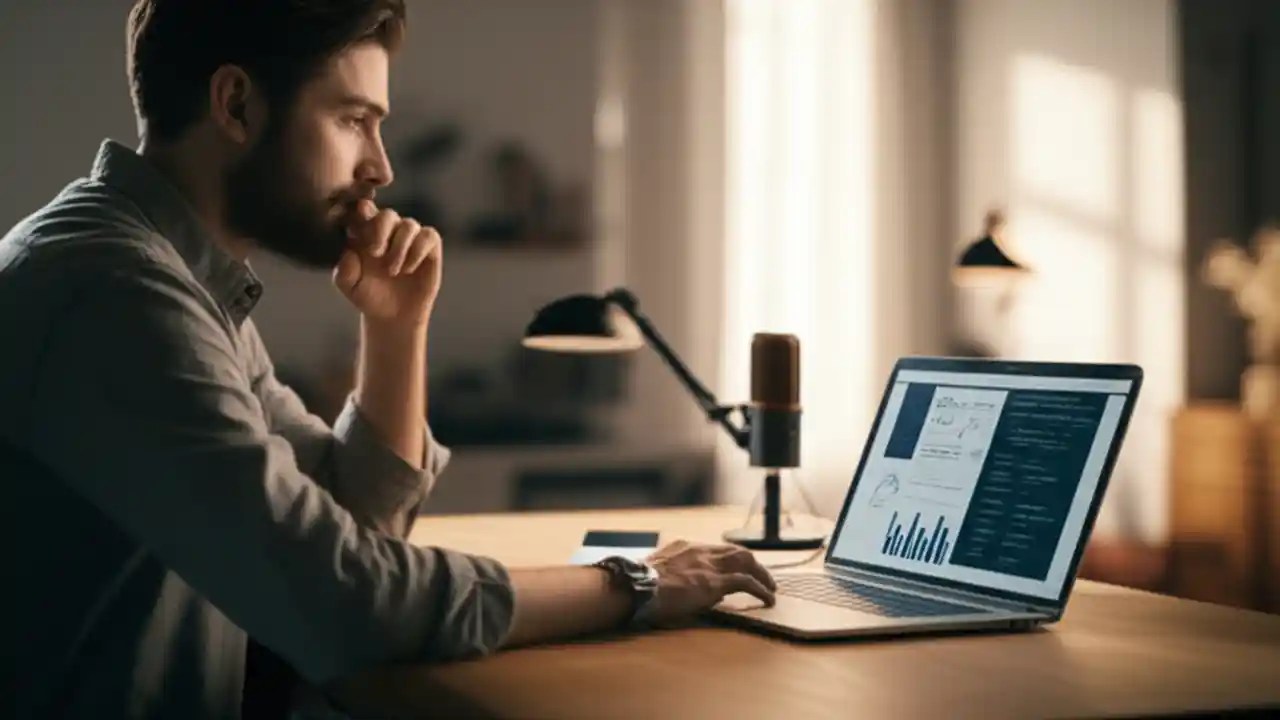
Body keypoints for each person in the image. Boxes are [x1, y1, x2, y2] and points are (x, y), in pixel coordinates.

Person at [0, 2, 776, 718]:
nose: (380, 167)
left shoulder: (181, 281)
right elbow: (343, 599)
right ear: (235, 104)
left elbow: (352, 524)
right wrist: (636, 582)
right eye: (352, 120)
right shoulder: (115, 295)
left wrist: (397, 331)